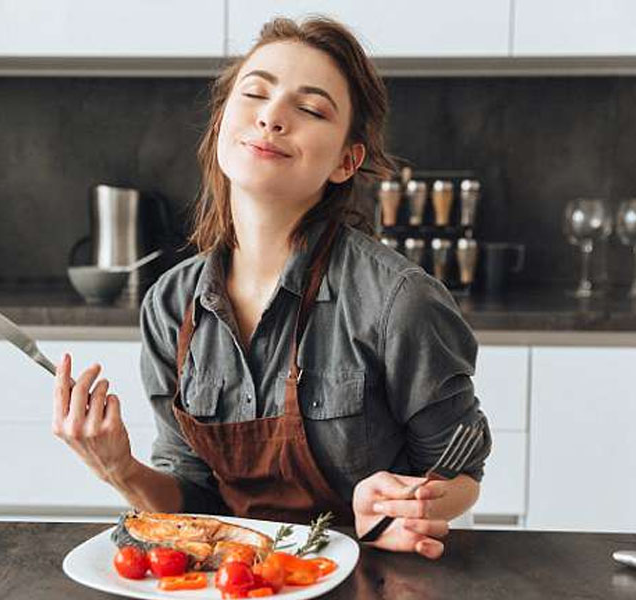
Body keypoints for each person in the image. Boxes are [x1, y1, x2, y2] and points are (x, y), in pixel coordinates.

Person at [52, 15, 492, 560]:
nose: (271, 116)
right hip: (231, 583)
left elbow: (460, 474)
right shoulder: (171, 305)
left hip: (369, 577)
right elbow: (190, 502)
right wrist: (119, 468)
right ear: (220, 124)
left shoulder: (399, 302)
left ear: (345, 161)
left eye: (309, 109)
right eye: (255, 93)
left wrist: (409, 504)